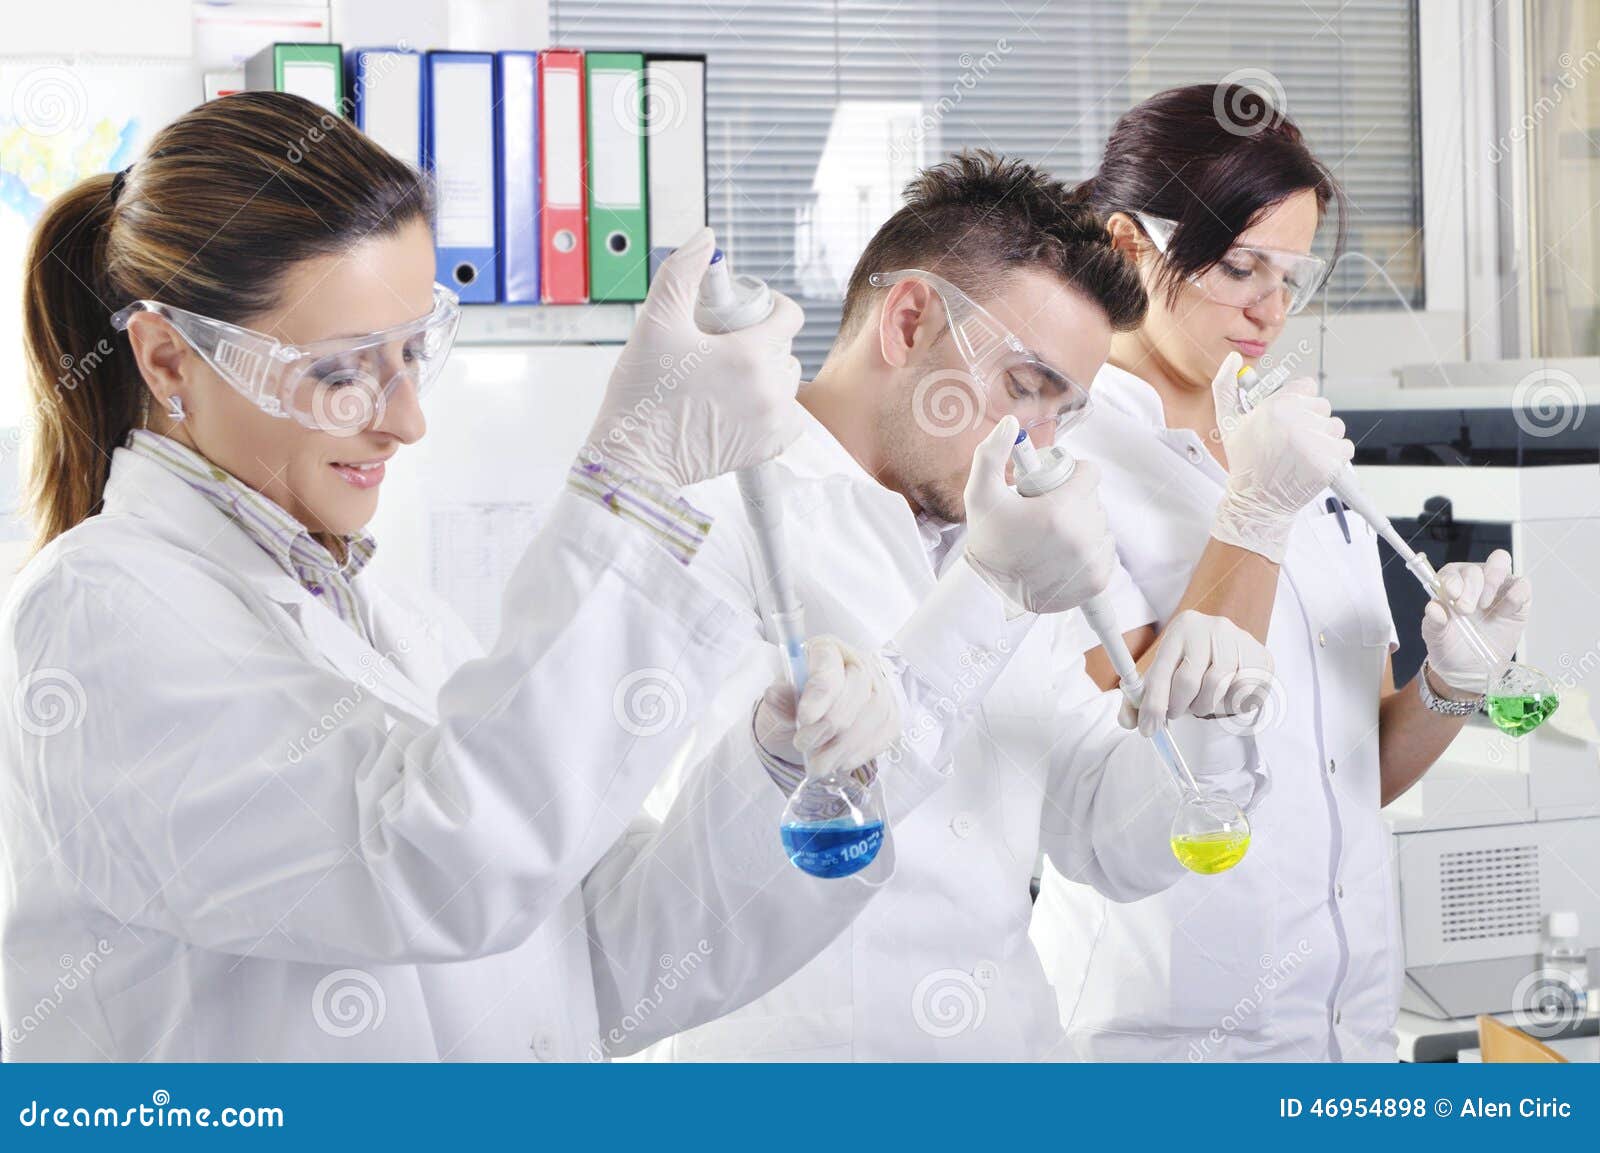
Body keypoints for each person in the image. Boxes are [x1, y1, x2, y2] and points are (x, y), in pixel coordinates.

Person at [0, 92, 978, 1061]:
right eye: (341, 368)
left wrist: (773, 773)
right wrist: (629, 483)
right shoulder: (96, 615)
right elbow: (432, 871)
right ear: (170, 358)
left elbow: (592, 961)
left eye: (412, 351)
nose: (404, 419)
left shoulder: (396, 618)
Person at [640, 152, 1280, 1062]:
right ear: (908, 321)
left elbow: (1105, 844)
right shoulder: (713, 511)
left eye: (1067, 412)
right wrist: (991, 593)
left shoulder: (1002, 533)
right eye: (1026, 390)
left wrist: (1205, 725)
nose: (1040, 446)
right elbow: (724, 878)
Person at [1028, 84, 1532, 1062]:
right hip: (1164, 1057)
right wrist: (1252, 518)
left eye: (1290, 277)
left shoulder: (1285, 446)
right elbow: (1159, 767)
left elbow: (1353, 772)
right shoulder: (1062, 466)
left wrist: (1449, 686)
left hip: (1346, 1039)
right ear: (1131, 244)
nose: (1270, 308)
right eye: (1238, 267)